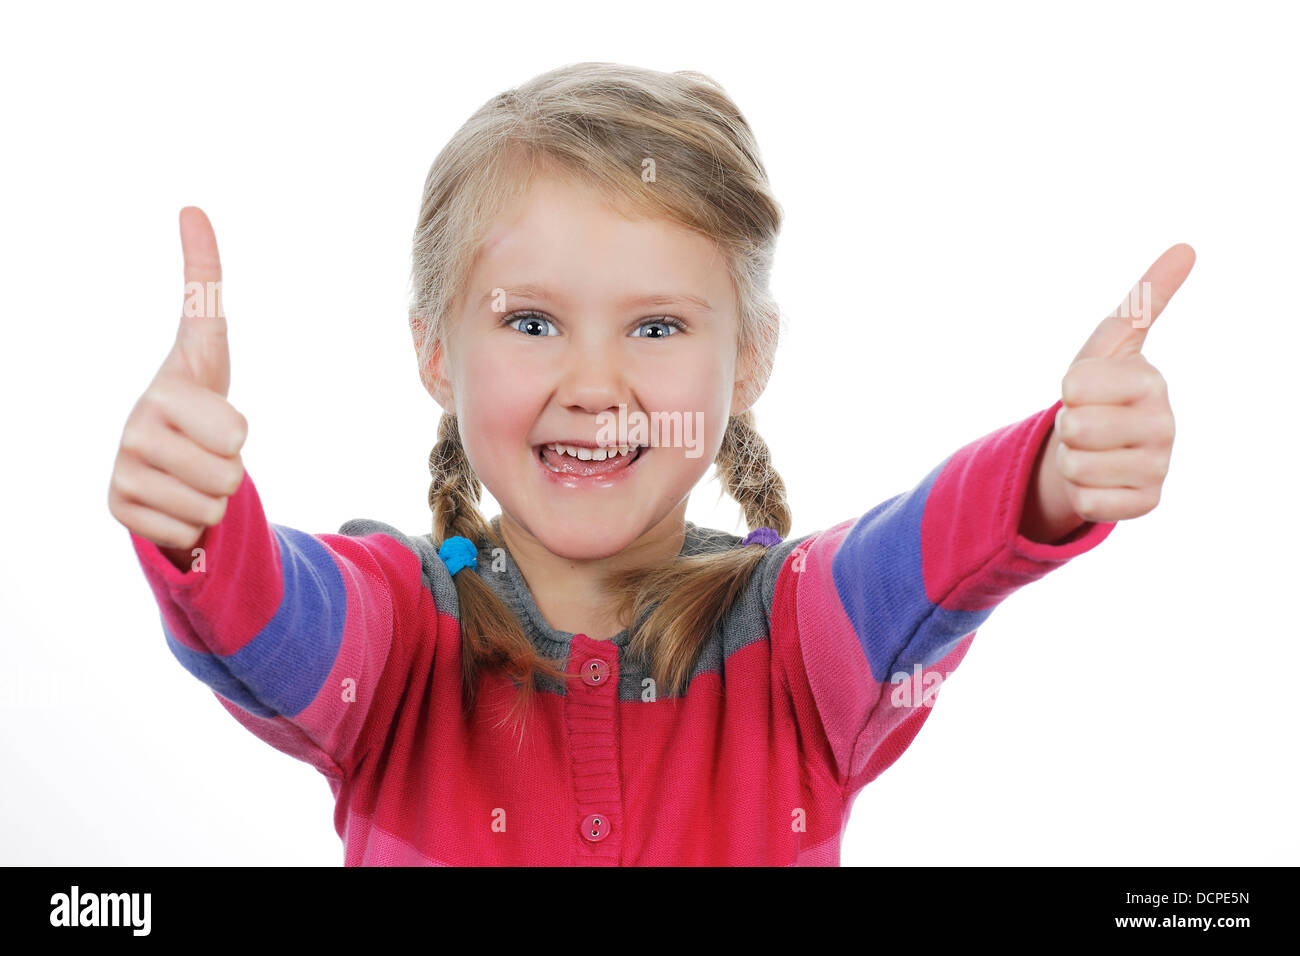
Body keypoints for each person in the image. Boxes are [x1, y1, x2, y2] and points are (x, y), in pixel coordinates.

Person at [108, 62, 1192, 865]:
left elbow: (922, 555)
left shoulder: (801, 644)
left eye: (658, 327)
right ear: (436, 349)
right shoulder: (398, 635)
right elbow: (275, 617)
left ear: (751, 355)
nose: (594, 382)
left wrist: (1051, 468)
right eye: (530, 321)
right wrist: (202, 518)